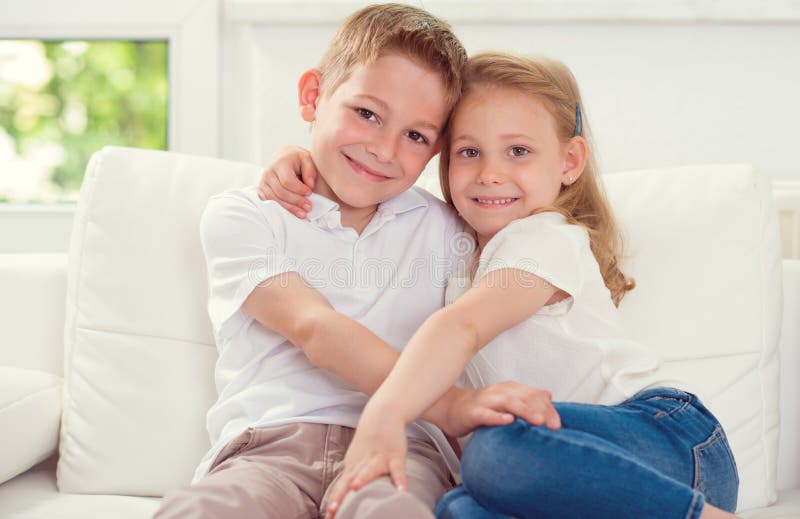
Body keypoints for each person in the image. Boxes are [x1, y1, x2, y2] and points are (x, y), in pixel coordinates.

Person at [262, 53, 740, 519]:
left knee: (495, 449)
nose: (490, 173)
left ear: (569, 162)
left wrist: (384, 416)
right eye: (469, 152)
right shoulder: (447, 240)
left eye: (519, 151)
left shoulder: (545, 237)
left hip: (667, 443)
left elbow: (462, 326)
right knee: (457, 507)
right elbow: (370, 188)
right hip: (559, 481)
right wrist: (301, 159)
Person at [153, 7, 548, 519]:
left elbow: (526, 203)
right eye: (366, 113)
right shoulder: (247, 215)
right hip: (269, 445)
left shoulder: (449, 228)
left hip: (404, 447)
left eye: (416, 136)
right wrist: (447, 404)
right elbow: (313, 327)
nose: (383, 149)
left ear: (437, 152)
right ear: (313, 97)